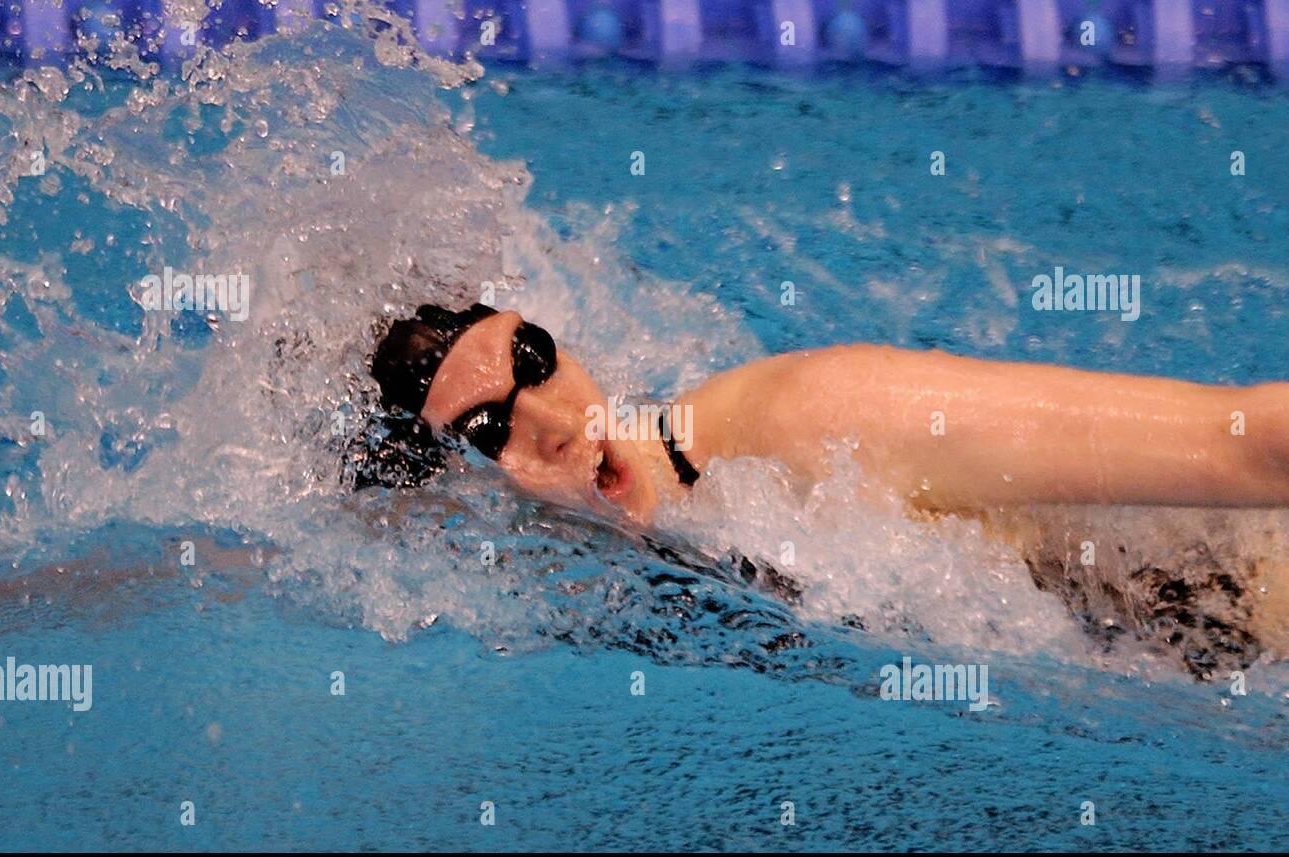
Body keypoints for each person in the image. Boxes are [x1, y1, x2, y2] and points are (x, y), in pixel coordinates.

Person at [352, 302, 1289, 528]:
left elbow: (1240, 446)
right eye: (487, 431)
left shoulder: (812, 418)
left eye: (533, 362)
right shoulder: (631, 529)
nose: (550, 422)